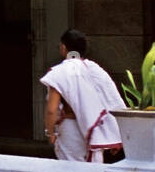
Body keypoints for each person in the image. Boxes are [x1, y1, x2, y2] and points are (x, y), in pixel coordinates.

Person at [40, 29, 125, 163]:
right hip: (95, 129)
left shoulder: (59, 72)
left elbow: (52, 110)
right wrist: (115, 132)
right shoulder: (95, 69)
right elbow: (112, 99)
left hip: (70, 130)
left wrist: (50, 133)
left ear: (63, 47)